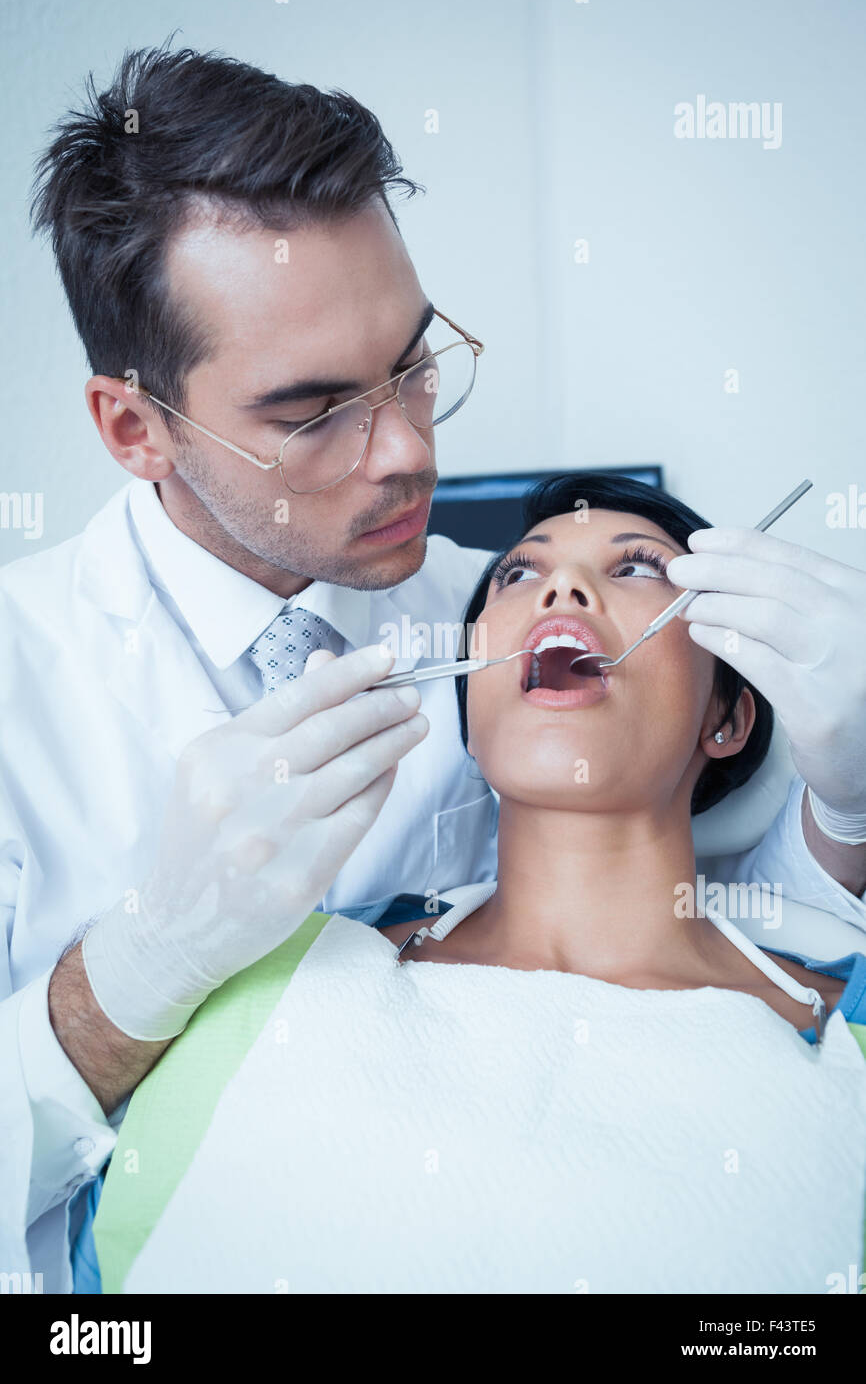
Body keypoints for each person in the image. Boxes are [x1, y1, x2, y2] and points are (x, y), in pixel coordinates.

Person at [2, 46, 865, 1293]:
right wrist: (134, 970)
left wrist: (844, 810)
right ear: (136, 429)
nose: (409, 451)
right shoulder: (23, 685)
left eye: (414, 361)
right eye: (314, 414)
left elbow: (717, 913)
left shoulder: (486, 609)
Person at [83, 475, 866, 1294]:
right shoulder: (269, 976)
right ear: (471, 703)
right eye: (518, 575)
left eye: (637, 569)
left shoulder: (839, 1031)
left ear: (729, 719)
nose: (561, 587)